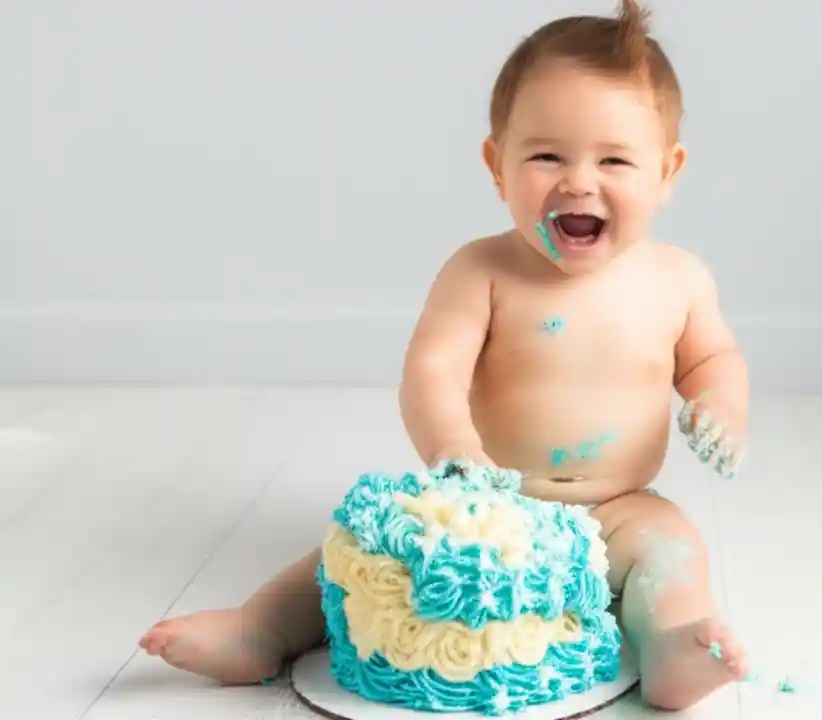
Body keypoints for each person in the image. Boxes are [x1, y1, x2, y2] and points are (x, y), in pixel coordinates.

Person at [139, 0, 750, 709]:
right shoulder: (482, 272)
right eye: (547, 155)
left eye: (615, 159)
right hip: (484, 502)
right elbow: (431, 371)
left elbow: (713, 360)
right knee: (363, 553)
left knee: (673, 550)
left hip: (619, 507)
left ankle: (672, 647)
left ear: (667, 172)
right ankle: (260, 628)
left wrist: (720, 406)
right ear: (497, 165)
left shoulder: (676, 279)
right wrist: (454, 447)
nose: (580, 181)